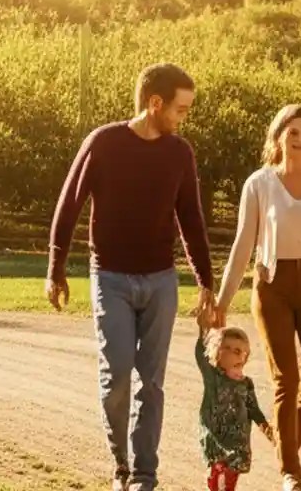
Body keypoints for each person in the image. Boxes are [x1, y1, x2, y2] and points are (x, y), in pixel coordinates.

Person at [46, 62, 217, 491]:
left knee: (152, 382)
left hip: (161, 279)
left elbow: (191, 219)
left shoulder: (180, 152)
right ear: (154, 103)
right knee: (118, 373)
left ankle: (144, 474)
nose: (184, 118)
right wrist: (56, 267)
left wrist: (205, 280)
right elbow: (70, 204)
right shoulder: (104, 143)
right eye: (180, 109)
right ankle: (120, 460)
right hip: (112, 276)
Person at [214, 103, 301, 491]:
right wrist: (223, 302)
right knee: (286, 380)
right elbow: (243, 244)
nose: (299, 139)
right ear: (278, 136)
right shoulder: (259, 184)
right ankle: (291, 470)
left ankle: (282, 442)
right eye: (292, 132)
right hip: (272, 287)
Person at [194, 322, 275, 491]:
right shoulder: (214, 378)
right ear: (217, 352)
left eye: (239, 351)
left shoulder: (246, 384)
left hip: (238, 439)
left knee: (233, 473)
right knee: (219, 470)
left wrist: (265, 427)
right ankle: (215, 479)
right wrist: (204, 329)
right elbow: (201, 356)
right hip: (217, 437)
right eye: (228, 348)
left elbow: (253, 409)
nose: (235, 354)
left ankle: (220, 483)